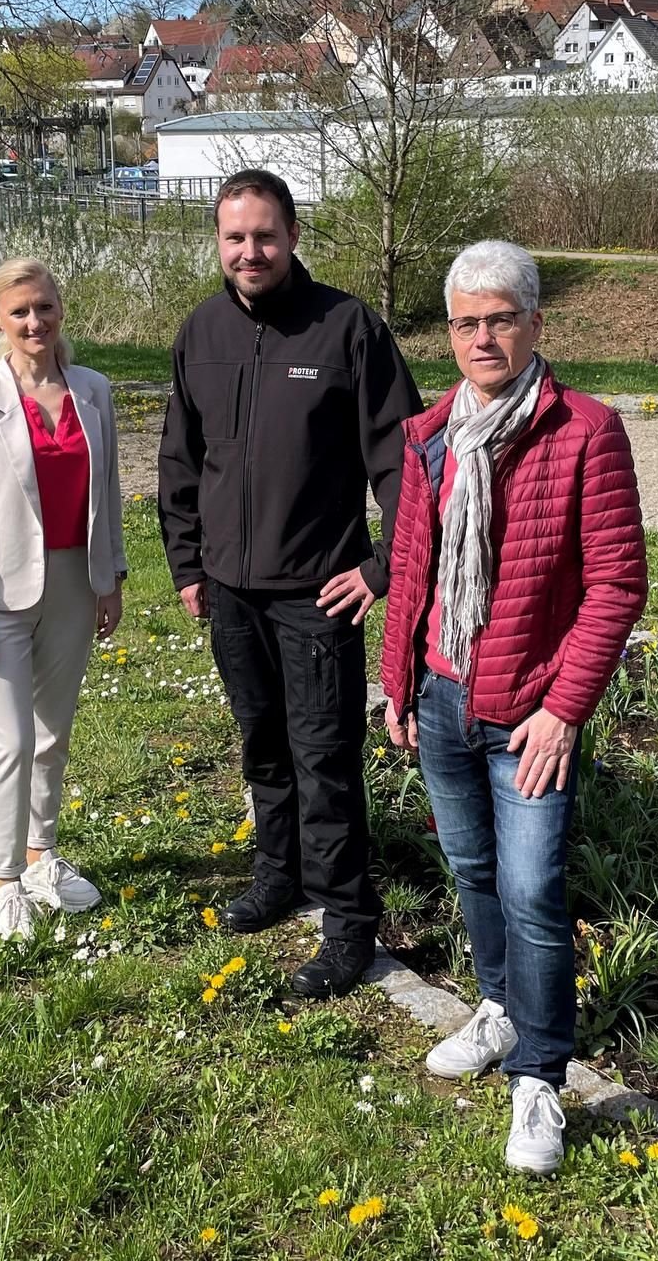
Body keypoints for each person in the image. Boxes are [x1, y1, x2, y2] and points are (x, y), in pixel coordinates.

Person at [380, 240, 647, 1175]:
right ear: (448, 331)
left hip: (532, 709)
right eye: (466, 321)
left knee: (534, 891)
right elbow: (411, 567)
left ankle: (539, 1076)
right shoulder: (429, 435)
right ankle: (498, 1008)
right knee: (471, 868)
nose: (483, 337)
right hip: (444, 696)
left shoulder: (585, 430)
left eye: (500, 318)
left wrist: (567, 708)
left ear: (535, 323)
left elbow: (616, 584)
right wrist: (398, 681)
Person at [158, 168, 421, 998]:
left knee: (325, 757)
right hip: (230, 592)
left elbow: (404, 465)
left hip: (317, 591)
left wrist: (381, 568)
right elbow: (181, 460)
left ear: (294, 235)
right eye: (235, 237)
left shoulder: (347, 328)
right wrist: (188, 564)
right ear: (218, 242)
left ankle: (347, 924)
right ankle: (281, 875)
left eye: (264, 235)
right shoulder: (199, 333)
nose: (250, 251)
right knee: (263, 743)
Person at [0, 257, 127, 940]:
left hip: (75, 583)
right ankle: (5, 881)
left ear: (60, 312)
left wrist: (110, 578)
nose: (34, 322)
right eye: (19, 311)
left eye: (44, 308)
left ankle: (42, 855)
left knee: (52, 734)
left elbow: (105, 492)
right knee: (11, 743)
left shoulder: (92, 390)